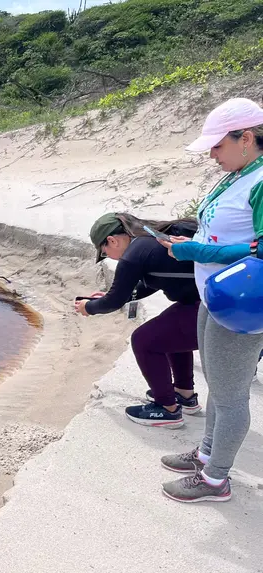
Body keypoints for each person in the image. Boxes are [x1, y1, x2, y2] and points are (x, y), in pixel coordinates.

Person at [158, 97, 263, 503]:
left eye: (218, 146)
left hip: (241, 302)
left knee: (231, 393)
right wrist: (195, 242)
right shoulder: (239, 173)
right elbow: (227, 233)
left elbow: (258, 251)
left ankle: (216, 479)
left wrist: (196, 252)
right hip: (215, 293)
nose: (212, 155)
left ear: (247, 138)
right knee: (218, 383)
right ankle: (206, 453)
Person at [75, 212, 201, 427]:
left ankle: (167, 410)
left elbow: (114, 302)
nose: (109, 257)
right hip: (213, 301)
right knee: (167, 332)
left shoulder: (133, 255)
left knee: (144, 340)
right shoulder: (151, 239)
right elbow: (147, 284)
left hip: (215, 310)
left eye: (104, 252)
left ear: (112, 241)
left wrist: (89, 308)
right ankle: (184, 394)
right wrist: (107, 297)